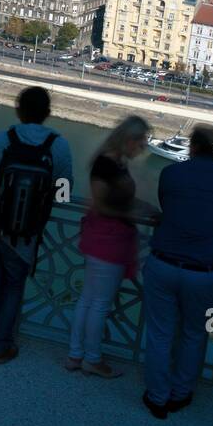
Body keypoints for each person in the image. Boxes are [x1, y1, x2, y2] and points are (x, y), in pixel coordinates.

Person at [141, 124, 213, 419]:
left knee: (160, 333)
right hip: (203, 272)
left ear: (193, 146)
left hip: (162, 263)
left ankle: (157, 396)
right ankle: (181, 393)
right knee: (194, 333)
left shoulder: (171, 173)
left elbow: (168, 206)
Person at [0, 86, 73, 363]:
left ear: (18, 110)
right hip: (26, 234)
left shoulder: (2, 138)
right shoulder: (59, 144)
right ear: (48, 113)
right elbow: (64, 190)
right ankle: (2, 344)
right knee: (14, 286)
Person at [66, 115, 156, 378]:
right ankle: (91, 359)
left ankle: (75, 354)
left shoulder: (115, 162)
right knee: (99, 303)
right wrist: (131, 213)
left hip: (104, 238)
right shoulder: (107, 164)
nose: (143, 147)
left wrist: (145, 208)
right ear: (129, 139)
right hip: (108, 239)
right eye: (141, 142)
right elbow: (102, 204)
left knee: (89, 300)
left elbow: (119, 198)